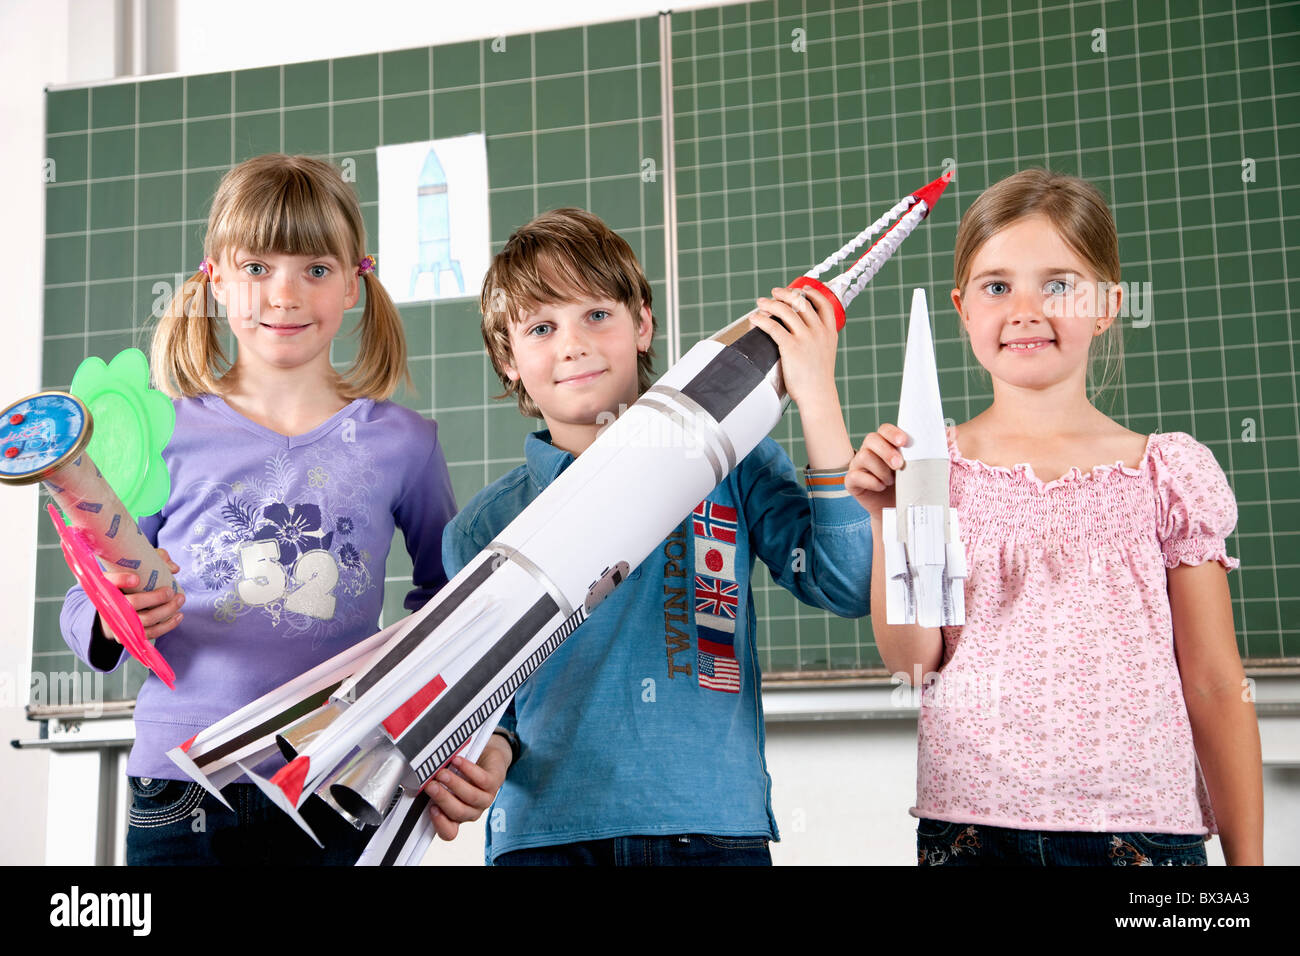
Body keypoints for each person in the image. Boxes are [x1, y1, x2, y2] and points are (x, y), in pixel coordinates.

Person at [847, 169, 1264, 866]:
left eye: (1060, 284)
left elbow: (1217, 683)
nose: (1026, 309)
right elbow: (914, 663)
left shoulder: (1165, 474)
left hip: (1141, 834)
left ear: (1108, 305)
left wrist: (1249, 871)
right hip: (972, 831)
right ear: (963, 309)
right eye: (997, 285)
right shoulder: (930, 468)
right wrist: (890, 519)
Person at [431, 207, 870, 865]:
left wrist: (816, 396)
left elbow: (848, 583)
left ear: (642, 323)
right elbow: (498, 712)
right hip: (549, 838)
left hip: (711, 831)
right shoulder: (482, 529)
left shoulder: (731, 460)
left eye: (597, 315)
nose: (573, 344)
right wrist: (485, 757)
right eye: (542, 327)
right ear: (507, 358)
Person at [60, 154, 462, 865]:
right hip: (182, 778)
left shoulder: (405, 443)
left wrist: (421, 728)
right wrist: (109, 614)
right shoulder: (166, 429)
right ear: (213, 277)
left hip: (336, 772)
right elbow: (85, 594)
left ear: (352, 283)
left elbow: (450, 606)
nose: (284, 294)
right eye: (256, 268)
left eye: (314, 269)